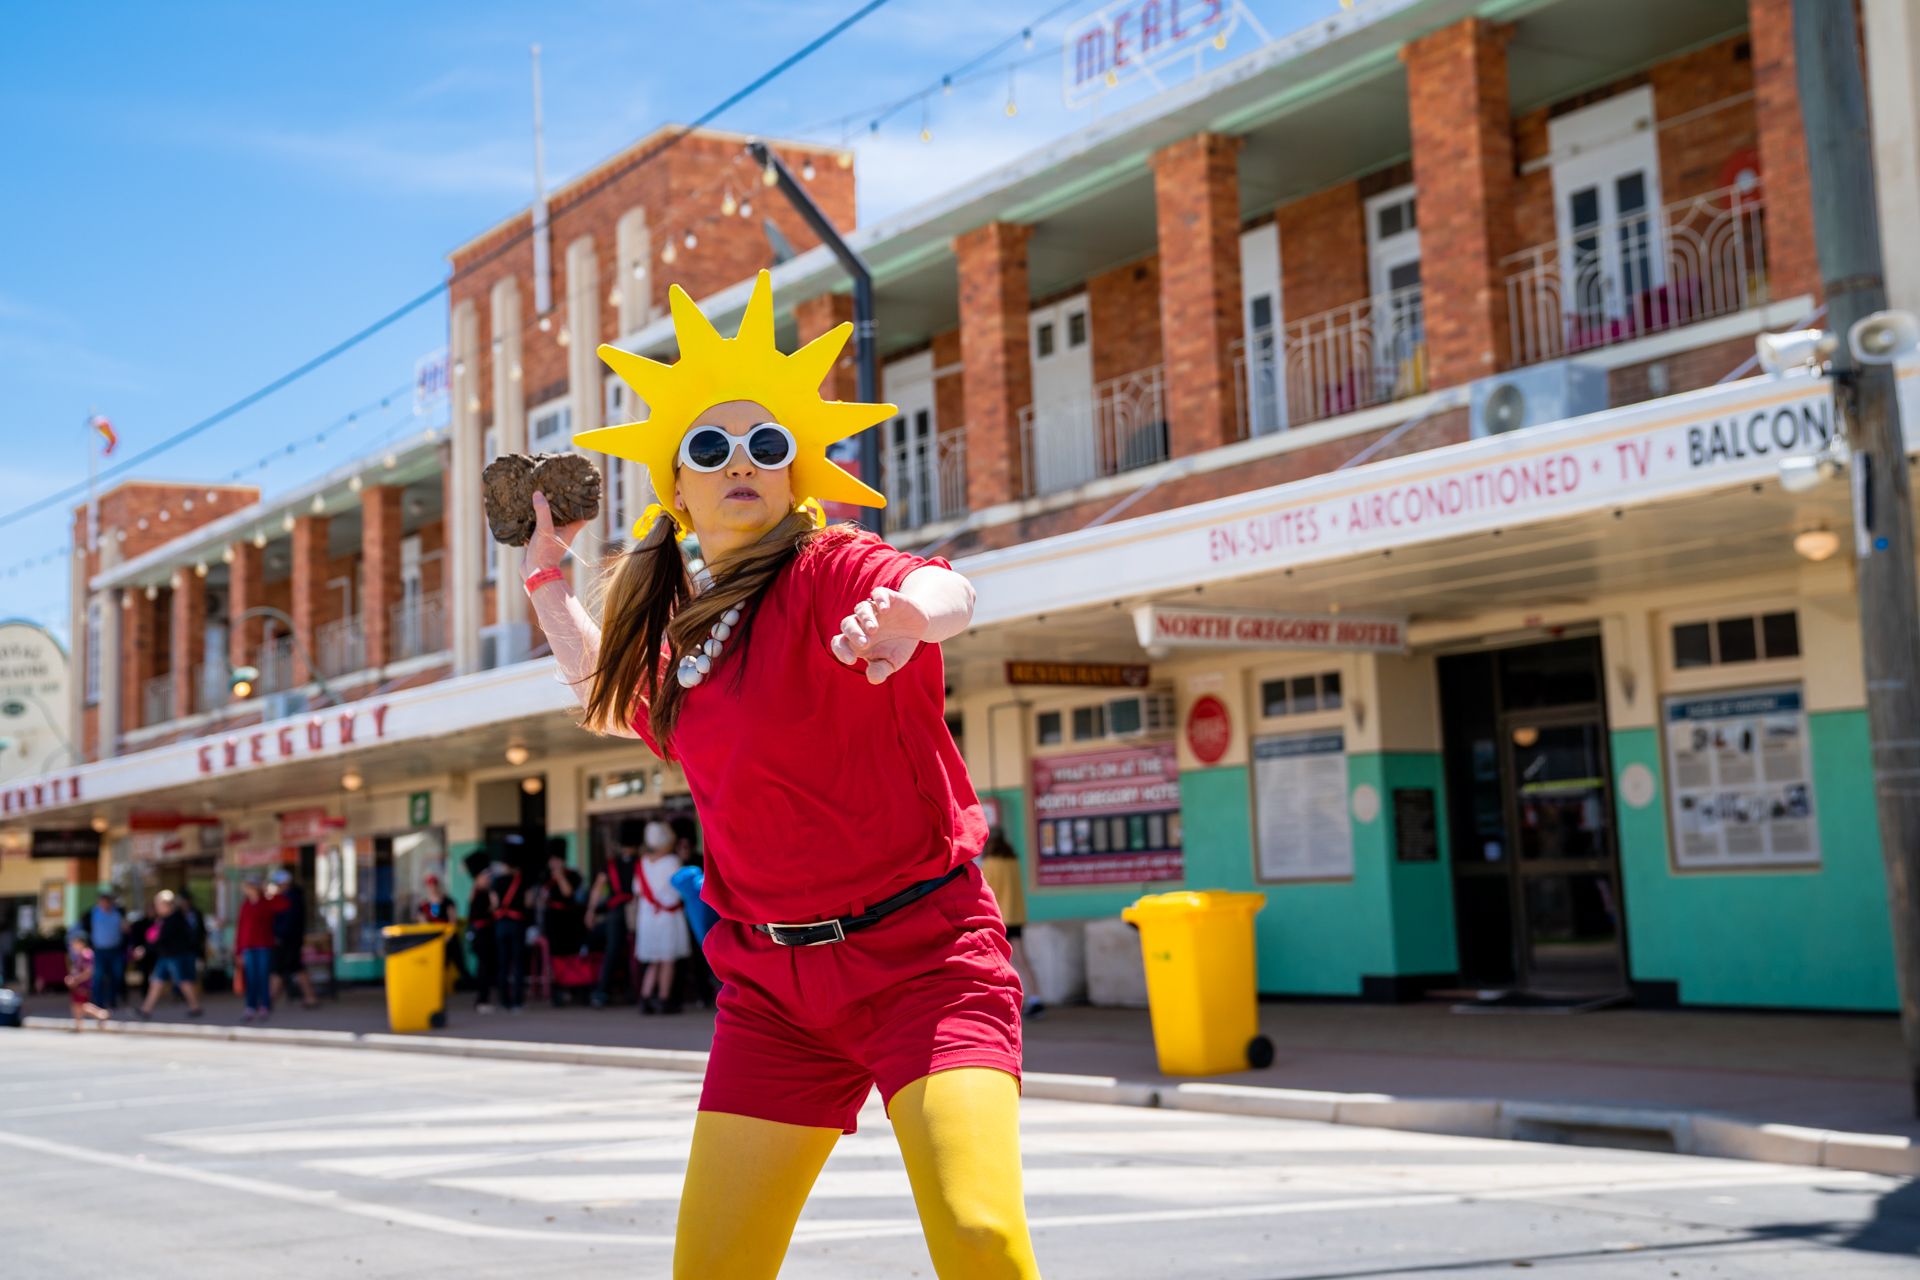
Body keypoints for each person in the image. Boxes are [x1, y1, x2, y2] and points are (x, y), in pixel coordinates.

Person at [525, 272, 1037, 1277]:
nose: (740, 462)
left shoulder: (834, 568)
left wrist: (913, 616)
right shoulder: (693, 645)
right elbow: (615, 696)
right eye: (710, 447)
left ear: (796, 472)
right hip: (771, 992)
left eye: (766, 444)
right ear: (676, 489)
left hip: (925, 964)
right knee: (713, 1268)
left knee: (980, 1236)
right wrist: (547, 578)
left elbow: (946, 587)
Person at [981, 830, 1044, 1020]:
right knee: (1022, 959)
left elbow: (986, 892)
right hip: (1016, 916)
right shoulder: (1013, 862)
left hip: (1000, 918)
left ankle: (1007, 1001)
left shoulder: (990, 864)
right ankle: (1035, 997)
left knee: (1000, 963)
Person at [633, 820, 689, 1015]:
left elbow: (637, 890)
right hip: (668, 915)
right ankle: (664, 999)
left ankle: (645, 997)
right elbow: (680, 890)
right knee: (667, 959)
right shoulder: (672, 862)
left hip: (648, 916)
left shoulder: (642, 863)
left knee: (653, 960)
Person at [590, 820, 642, 1008]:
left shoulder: (610, 865)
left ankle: (602, 991)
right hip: (638, 911)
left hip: (616, 912)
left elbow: (598, 888)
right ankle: (634, 990)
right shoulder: (642, 862)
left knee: (613, 951)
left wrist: (590, 911)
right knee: (637, 952)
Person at [136, 890, 204, 1019]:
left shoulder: (175, 919)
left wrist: (145, 949)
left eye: (158, 905)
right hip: (166, 955)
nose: (156, 908)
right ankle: (146, 1009)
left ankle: (195, 1007)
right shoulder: (165, 919)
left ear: (167, 905)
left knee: (183, 981)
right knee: (156, 981)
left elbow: (162, 939)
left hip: (176, 956)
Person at [267, 869, 319, 1010]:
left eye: (279, 884)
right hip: (291, 939)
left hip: (287, 940)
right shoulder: (292, 896)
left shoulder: (290, 898)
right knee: (294, 967)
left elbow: (288, 922)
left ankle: (269, 1000)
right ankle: (310, 997)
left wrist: (279, 935)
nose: (277, 886)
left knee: (280, 968)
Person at [235, 877, 277, 1023]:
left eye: (251, 887)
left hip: (264, 945)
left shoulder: (266, 903)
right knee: (251, 978)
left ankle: (265, 1005)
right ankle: (250, 1007)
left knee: (263, 976)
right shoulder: (245, 905)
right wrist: (239, 950)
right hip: (248, 947)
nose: (248, 890)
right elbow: (240, 928)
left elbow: (283, 905)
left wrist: (270, 892)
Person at [491, 859, 529, 1014]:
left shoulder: (497, 881)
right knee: (518, 963)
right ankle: (517, 1001)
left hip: (501, 924)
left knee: (503, 963)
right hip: (517, 924)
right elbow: (528, 902)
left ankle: (504, 1000)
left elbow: (494, 903)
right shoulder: (522, 881)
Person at [85, 891, 127, 1011]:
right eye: (102, 901)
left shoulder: (117, 913)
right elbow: (84, 928)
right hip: (99, 950)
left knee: (116, 975)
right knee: (98, 976)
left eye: (107, 901)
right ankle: (98, 1002)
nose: (104, 904)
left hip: (115, 949)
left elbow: (125, 928)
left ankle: (112, 1000)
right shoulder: (92, 913)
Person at [467, 865, 499, 1013]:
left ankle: (484, 998)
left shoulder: (480, 892)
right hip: (481, 935)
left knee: (486, 966)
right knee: (483, 967)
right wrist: (494, 906)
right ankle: (482, 1000)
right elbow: (481, 914)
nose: (488, 880)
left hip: (485, 934)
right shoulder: (478, 894)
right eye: (485, 877)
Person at [64, 934, 110, 1032]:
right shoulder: (79, 955)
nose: (73, 946)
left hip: (83, 984)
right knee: (76, 1005)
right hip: (79, 984)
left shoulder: (86, 954)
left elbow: (88, 971)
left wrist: (76, 980)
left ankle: (101, 1014)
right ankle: (79, 1025)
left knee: (81, 1005)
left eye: (74, 943)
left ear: (81, 943)